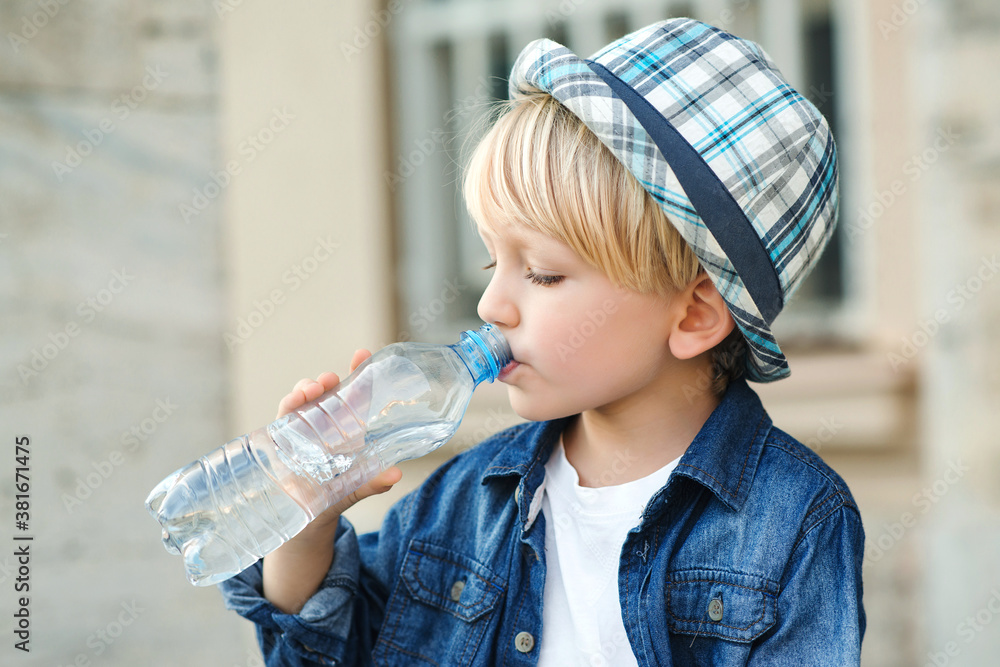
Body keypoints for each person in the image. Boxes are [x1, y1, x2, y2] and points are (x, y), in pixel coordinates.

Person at [220, 17, 865, 665]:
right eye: (490, 263)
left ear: (694, 313)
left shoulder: (796, 521)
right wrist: (304, 525)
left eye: (543, 273)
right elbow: (327, 653)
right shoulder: (464, 501)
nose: (491, 303)